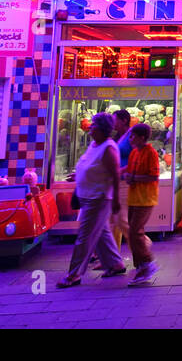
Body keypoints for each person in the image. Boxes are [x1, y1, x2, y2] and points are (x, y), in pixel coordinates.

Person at [57, 113, 127, 287]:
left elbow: (115, 175)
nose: (90, 127)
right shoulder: (94, 145)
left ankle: (74, 274)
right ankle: (115, 264)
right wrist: (78, 175)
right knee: (101, 232)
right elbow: (90, 166)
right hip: (87, 195)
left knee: (85, 237)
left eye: (93, 125)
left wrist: (116, 199)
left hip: (98, 198)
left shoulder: (109, 148)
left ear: (102, 128)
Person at [123, 123, 161, 286]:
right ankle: (141, 266)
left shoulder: (151, 153)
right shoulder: (134, 153)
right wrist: (125, 175)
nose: (130, 139)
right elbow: (130, 172)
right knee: (133, 232)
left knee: (134, 232)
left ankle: (147, 263)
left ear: (142, 137)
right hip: (133, 198)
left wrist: (134, 178)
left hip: (146, 199)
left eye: (133, 136)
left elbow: (153, 177)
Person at [110, 109, 133, 254]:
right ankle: (113, 256)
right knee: (112, 222)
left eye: (115, 119)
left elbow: (135, 157)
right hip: (117, 181)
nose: (113, 123)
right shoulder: (120, 136)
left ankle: (143, 248)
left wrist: (123, 170)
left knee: (122, 220)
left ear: (124, 120)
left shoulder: (131, 136)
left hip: (125, 182)